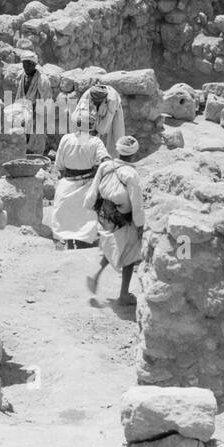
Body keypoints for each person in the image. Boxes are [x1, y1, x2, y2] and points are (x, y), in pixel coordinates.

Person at [86, 135, 146, 306]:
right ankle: (124, 295)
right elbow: (137, 202)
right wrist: (140, 225)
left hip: (105, 214)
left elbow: (94, 189)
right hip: (122, 218)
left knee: (111, 243)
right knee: (131, 253)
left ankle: (96, 274)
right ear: (134, 155)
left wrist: (92, 208)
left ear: (118, 151)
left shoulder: (105, 166)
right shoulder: (131, 174)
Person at [50, 109, 110, 248]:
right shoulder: (96, 141)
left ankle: (66, 241)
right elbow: (105, 159)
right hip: (87, 183)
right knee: (90, 212)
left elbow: (59, 165)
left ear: (77, 124)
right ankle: (85, 240)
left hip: (67, 183)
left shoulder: (66, 138)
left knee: (62, 212)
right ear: (92, 125)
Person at [14, 49, 54, 155]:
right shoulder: (23, 77)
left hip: (37, 115)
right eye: (24, 65)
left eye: (28, 65)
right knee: (23, 138)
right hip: (23, 113)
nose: (25, 68)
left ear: (34, 64)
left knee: (36, 140)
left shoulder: (43, 81)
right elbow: (19, 95)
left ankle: (36, 159)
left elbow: (47, 101)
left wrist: (35, 112)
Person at [76, 81, 126, 156]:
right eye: (94, 101)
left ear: (103, 99)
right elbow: (79, 114)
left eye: (98, 102)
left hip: (113, 118)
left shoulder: (112, 100)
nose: (95, 103)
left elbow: (104, 126)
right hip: (95, 117)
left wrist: (94, 132)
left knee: (112, 142)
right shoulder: (87, 95)